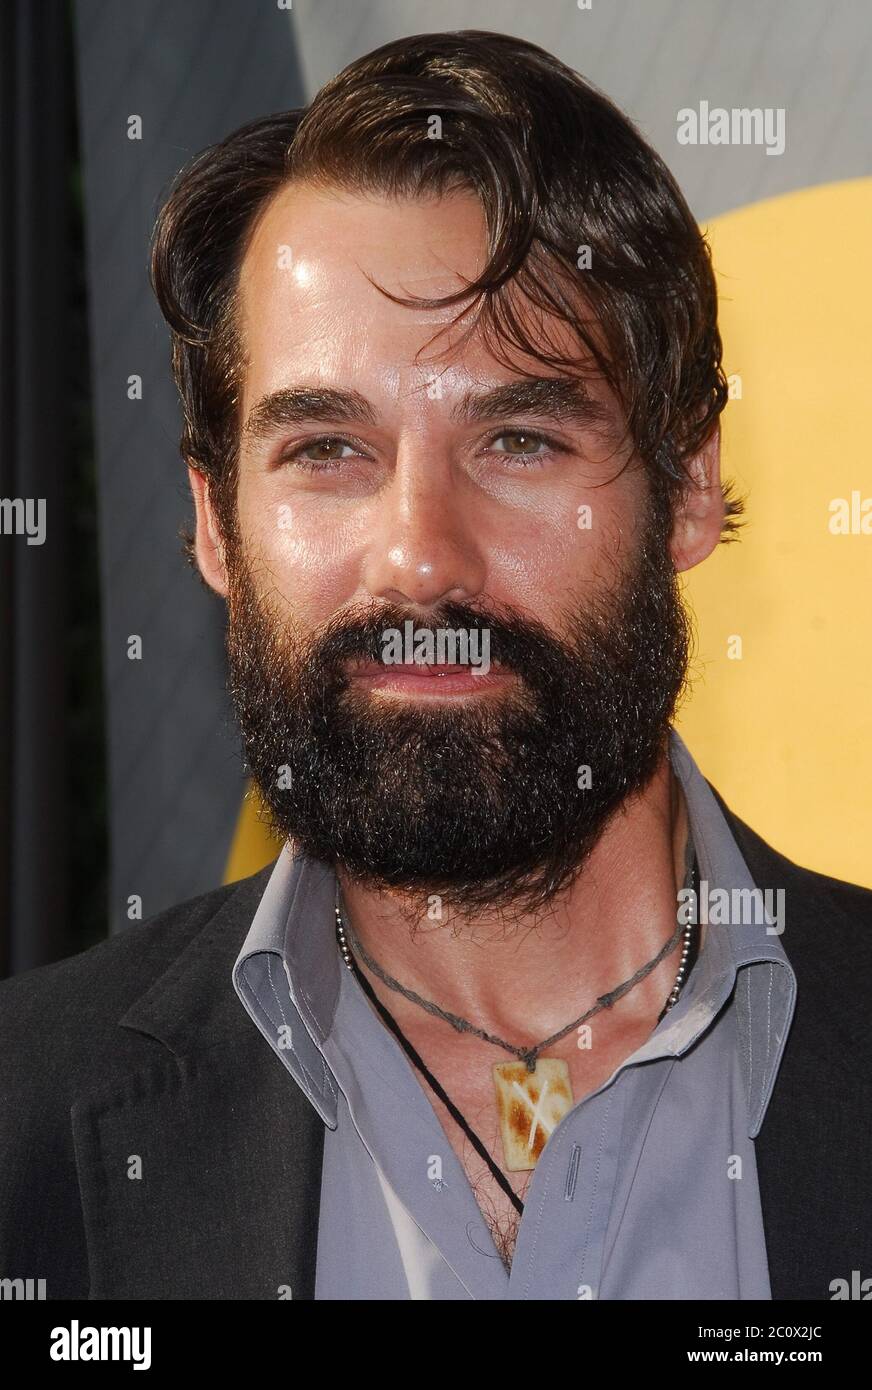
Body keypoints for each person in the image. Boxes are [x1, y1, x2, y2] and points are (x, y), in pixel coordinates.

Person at [1, 30, 869, 1302]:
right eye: (325, 451)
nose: (418, 557)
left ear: (685, 490)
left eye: (517, 438)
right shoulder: (27, 1126)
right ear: (211, 523)